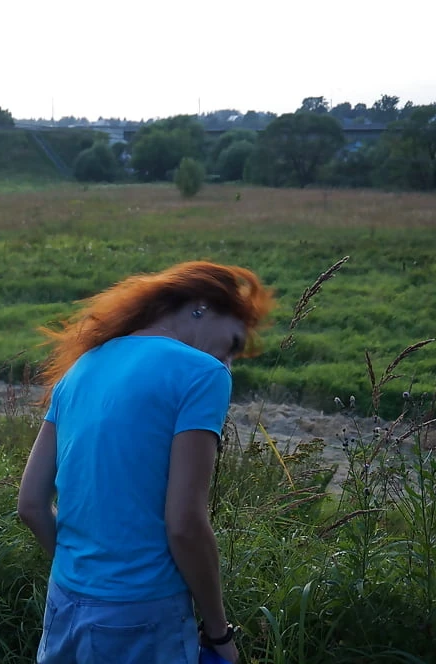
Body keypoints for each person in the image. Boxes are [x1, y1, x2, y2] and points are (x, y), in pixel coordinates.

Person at [18, 261, 275, 664]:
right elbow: (185, 524)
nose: (228, 361)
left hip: (65, 604)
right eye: (233, 344)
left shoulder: (82, 367)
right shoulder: (202, 374)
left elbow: (31, 505)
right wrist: (218, 631)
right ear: (201, 307)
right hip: (144, 614)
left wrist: (85, 576)